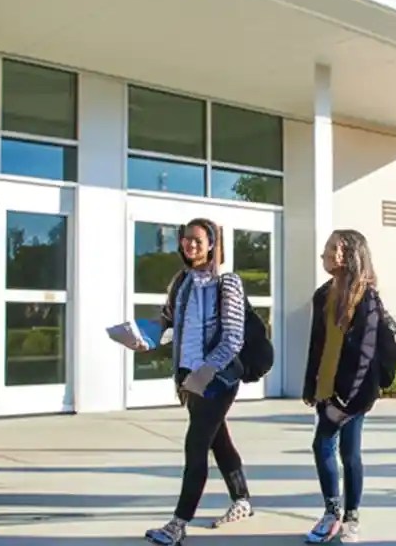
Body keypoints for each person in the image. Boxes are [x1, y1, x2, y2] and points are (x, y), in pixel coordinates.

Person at [144, 218, 253, 546]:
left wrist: (203, 374)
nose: (190, 244)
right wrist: (141, 335)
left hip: (216, 379)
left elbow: (233, 338)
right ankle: (242, 500)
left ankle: (178, 524)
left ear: (212, 245)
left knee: (196, 445)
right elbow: (166, 319)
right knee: (218, 439)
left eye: (198, 239)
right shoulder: (182, 281)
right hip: (188, 377)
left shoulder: (227, 283)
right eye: (186, 239)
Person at [301, 229, 391, 543]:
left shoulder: (366, 296)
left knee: (347, 451)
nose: (323, 254)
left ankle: (348, 515)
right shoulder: (323, 294)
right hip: (327, 386)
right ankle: (332, 511)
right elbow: (317, 344)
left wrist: (346, 399)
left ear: (349, 255)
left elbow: (366, 352)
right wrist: (310, 385)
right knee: (325, 446)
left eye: (330, 248)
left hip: (354, 392)